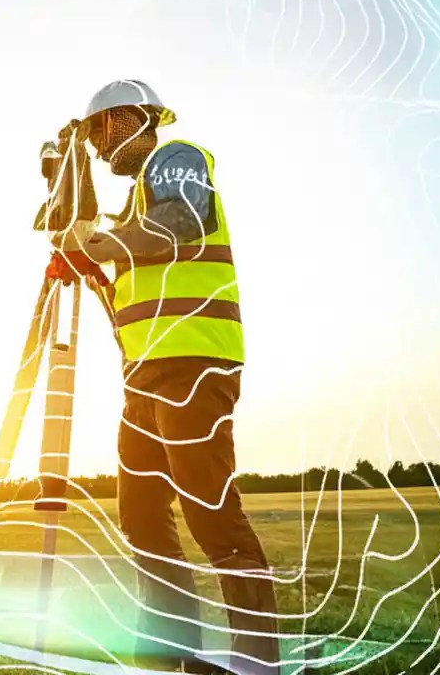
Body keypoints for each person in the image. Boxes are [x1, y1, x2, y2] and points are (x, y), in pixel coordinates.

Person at [69, 80, 280, 674]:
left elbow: (183, 221)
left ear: (135, 121)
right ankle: (170, 655)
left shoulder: (177, 160)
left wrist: (102, 242)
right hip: (144, 376)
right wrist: (79, 230)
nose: (98, 143)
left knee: (212, 514)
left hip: (194, 362)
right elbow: (118, 275)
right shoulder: (134, 202)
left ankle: (257, 665)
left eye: (101, 129)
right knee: (140, 518)